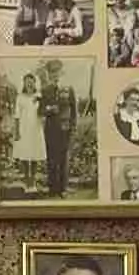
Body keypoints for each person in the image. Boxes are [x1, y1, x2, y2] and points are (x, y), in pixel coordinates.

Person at [39, 60, 79, 197]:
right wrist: (49, 109)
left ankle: (63, 188)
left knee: (63, 159)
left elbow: (74, 109)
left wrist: (73, 127)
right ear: (49, 74)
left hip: (65, 128)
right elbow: (41, 110)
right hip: (51, 128)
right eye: (52, 72)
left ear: (61, 73)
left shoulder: (69, 88)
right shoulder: (45, 90)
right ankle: (52, 189)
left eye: (57, 72)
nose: (54, 75)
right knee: (51, 159)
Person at [11, 72, 46, 192]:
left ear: (34, 82)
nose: (29, 83)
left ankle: (34, 182)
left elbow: (43, 112)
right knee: (25, 156)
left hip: (36, 128)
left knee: (35, 155)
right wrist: (16, 131)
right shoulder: (20, 97)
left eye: (31, 81)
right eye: (27, 81)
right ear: (24, 83)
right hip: (24, 129)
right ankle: (27, 183)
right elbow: (16, 116)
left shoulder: (39, 96)